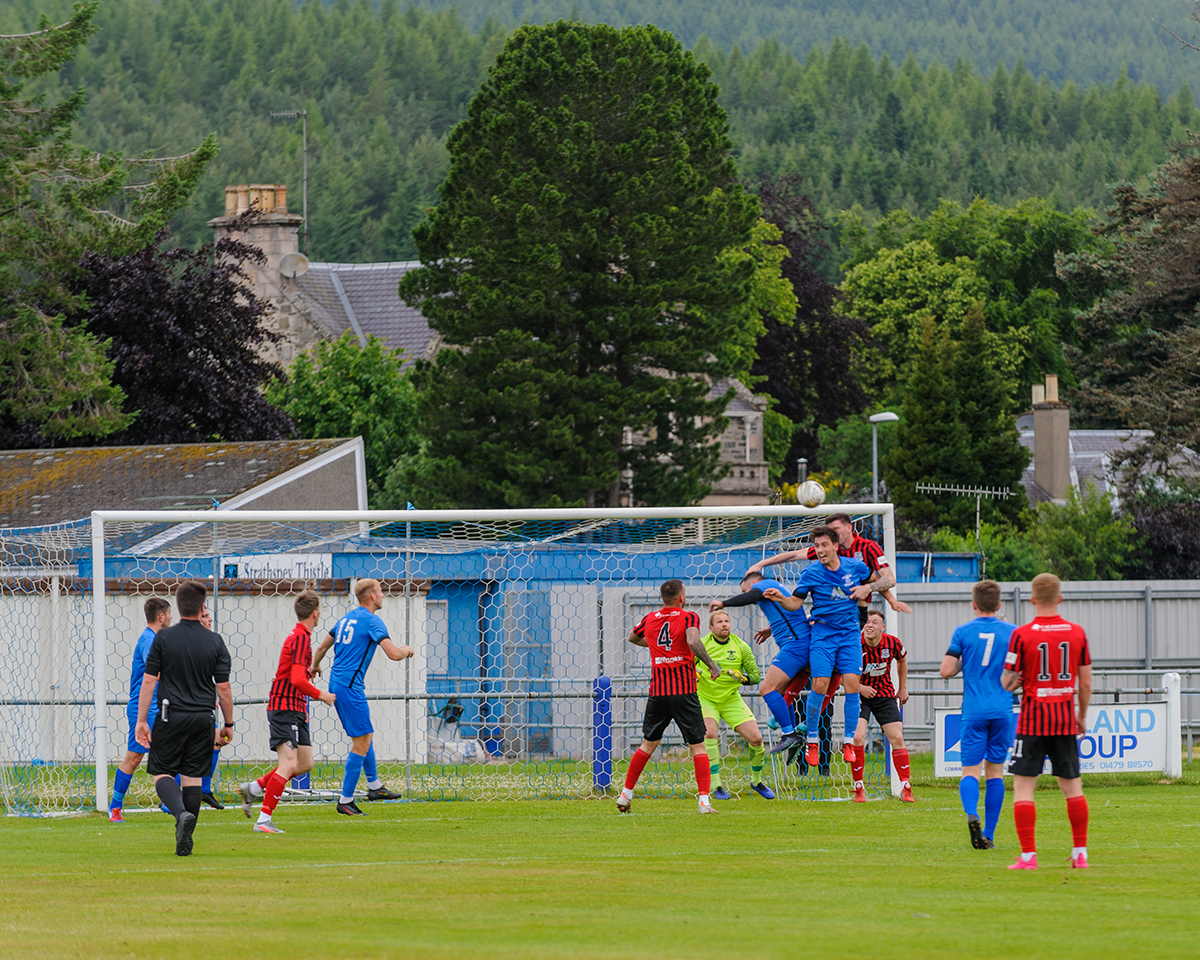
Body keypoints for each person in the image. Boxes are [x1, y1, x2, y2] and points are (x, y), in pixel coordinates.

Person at [134, 580, 233, 857]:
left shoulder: (164, 638)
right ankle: (184, 839)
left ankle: (180, 815)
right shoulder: (215, 641)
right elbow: (223, 688)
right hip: (203, 718)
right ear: (202, 606)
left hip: (171, 715)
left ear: (177, 608)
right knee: (192, 779)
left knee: (160, 773)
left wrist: (142, 720)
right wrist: (228, 724)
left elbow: (149, 681)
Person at [1001, 573, 1093, 871]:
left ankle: (1028, 856)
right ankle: (1080, 853)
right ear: (1060, 598)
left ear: (1032, 599)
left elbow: (1006, 682)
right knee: (1073, 789)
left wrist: (1021, 677)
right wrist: (1081, 715)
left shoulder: (1021, 634)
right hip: (1065, 720)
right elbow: (1086, 683)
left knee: (1024, 789)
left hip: (1032, 722)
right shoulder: (1077, 633)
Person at [763, 525, 871, 768]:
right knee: (820, 684)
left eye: (824, 545)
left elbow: (876, 580)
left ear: (835, 545)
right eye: (816, 546)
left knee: (852, 684)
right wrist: (780, 598)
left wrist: (869, 589)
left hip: (850, 634)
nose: (820, 550)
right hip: (822, 633)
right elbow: (794, 604)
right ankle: (812, 740)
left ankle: (848, 743)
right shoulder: (811, 573)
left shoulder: (855, 566)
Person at [617, 579, 722, 814]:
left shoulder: (650, 619)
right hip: (684, 691)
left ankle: (626, 794)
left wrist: (657, 648)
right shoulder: (688, 617)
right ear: (682, 598)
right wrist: (712, 666)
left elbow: (632, 638)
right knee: (698, 746)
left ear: (662, 598)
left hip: (658, 692)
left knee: (647, 744)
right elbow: (693, 640)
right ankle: (704, 802)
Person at [311, 578, 413, 816]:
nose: (383, 595)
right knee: (361, 742)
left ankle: (375, 786)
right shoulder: (372, 621)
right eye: (381, 591)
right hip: (349, 687)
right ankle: (345, 801)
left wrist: (315, 666)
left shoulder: (346, 618)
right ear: (372, 597)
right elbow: (394, 654)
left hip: (339, 683)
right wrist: (408, 650)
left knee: (366, 734)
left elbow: (322, 648)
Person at [239, 590, 337, 833]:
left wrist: (308, 672)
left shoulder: (300, 636)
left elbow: (296, 673)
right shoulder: (301, 637)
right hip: (283, 707)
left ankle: (253, 788)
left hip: (295, 708)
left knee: (304, 763)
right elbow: (294, 679)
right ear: (315, 614)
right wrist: (321, 694)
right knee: (288, 763)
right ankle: (263, 820)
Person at [941, 580, 1017, 850]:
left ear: (974, 605)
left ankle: (971, 813)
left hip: (974, 712)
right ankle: (989, 834)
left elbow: (946, 670)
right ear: (998, 606)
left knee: (970, 771)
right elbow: (1021, 673)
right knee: (995, 773)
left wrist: (966, 661)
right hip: (1002, 711)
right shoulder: (1013, 632)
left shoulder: (963, 632)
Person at [709, 571, 813, 758]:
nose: (749, 594)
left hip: (795, 645)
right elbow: (792, 617)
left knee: (766, 688)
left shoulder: (763, 586)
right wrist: (771, 629)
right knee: (779, 692)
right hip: (799, 642)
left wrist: (723, 603)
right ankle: (794, 737)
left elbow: (753, 595)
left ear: (754, 582)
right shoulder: (778, 589)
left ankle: (790, 734)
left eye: (746, 589)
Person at [747, 512, 910, 624]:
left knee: (842, 664)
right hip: (827, 610)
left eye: (835, 530)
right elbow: (794, 555)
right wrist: (761, 563)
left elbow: (886, 579)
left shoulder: (869, 548)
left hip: (853, 612)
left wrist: (889, 599)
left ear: (849, 528)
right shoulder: (827, 549)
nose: (831, 533)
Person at [696, 611, 774, 800]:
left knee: (756, 739)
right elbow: (688, 666)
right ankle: (716, 785)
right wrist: (696, 672)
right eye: (719, 622)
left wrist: (742, 678)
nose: (724, 625)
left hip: (731, 699)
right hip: (706, 698)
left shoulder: (741, 646)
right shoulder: (702, 644)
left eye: (727, 621)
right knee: (710, 734)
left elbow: (755, 677)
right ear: (711, 628)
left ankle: (756, 781)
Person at [108, 598, 172, 822]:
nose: (172, 618)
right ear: (161, 617)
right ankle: (115, 806)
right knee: (134, 757)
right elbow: (156, 673)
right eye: (169, 614)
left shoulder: (157, 639)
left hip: (161, 705)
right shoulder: (149, 640)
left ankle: (168, 801)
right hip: (144, 707)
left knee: (173, 753)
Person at [850, 610, 913, 803]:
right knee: (858, 737)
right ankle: (859, 787)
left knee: (897, 737)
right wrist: (860, 687)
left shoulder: (893, 643)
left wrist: (902, 688)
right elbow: (840, 673)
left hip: (884, 695)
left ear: (882, 628)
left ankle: (906, 787)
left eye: (874, 622)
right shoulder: (854, 644)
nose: (869, 625)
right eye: (867, 622)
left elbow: (902, 660)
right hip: (860, 695)